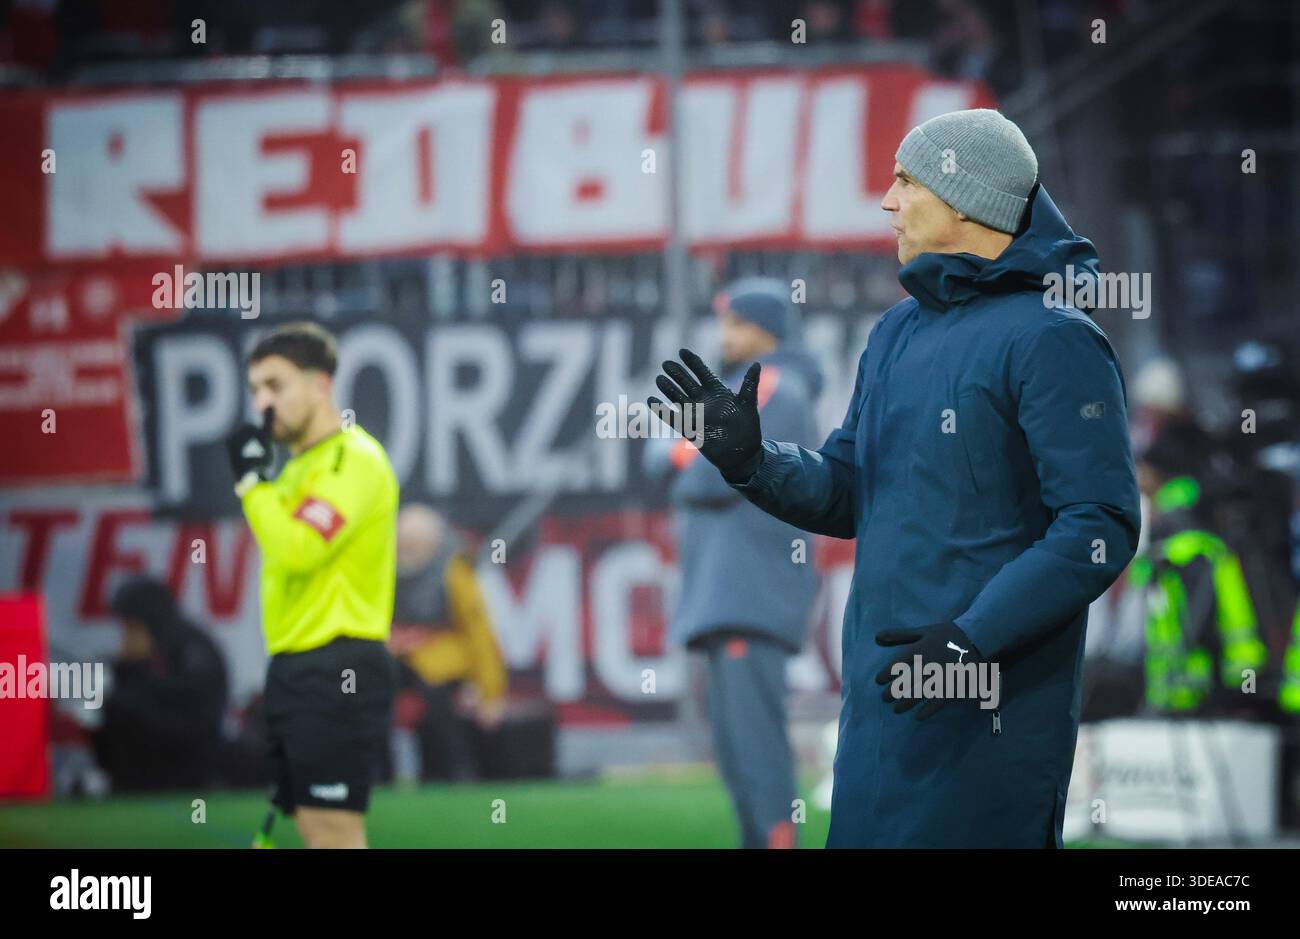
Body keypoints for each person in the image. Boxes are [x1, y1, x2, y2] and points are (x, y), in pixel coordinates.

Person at [649, 109, 1141, 848]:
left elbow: (1099, 522)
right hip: (880, 705)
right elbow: (849, 488)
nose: (888, 202)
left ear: (965, 199)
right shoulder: (894, 333)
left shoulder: (1055, 336)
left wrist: (972, 641)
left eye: (906, 181)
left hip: (988, 709)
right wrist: (754, 460)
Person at [645, 277, 824, 848]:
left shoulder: (773, 385)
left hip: (750, 596)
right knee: (737, 759)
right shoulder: (754, 387)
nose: (724, 334)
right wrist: (689, 450)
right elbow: (656, 457)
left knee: (758, 756)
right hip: (729, 599)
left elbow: (702, 477)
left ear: (765, 329)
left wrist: (690, 451)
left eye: (735, 322)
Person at [226, 321, 399, 849]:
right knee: (313, 829)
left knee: (334, 836)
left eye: (274, 387)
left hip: (336, 668)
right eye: (255, 390)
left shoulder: (355, 461)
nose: (262, 403)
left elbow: (299, 548)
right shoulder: (298, 471)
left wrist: (251, 484)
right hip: (296, 667)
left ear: (319, 385)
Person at [388, 503, 507, 781]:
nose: (406, 555)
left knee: (435, 697)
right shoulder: (383, 567)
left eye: (413, 547)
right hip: (397, 656)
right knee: (371, 687)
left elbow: (480, 633)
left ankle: (455, 774)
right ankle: (380, 776)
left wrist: (491, 692)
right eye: (401, 546)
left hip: (444, 663)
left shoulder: (454, 569)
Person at [92, 576, 228, 792]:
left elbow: (191, 714)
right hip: (140, 773)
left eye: (132, 625)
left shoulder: (193, 649)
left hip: (189, 767)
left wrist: (137, 671)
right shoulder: (151, 652)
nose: (126, 635)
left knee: (123, 705)